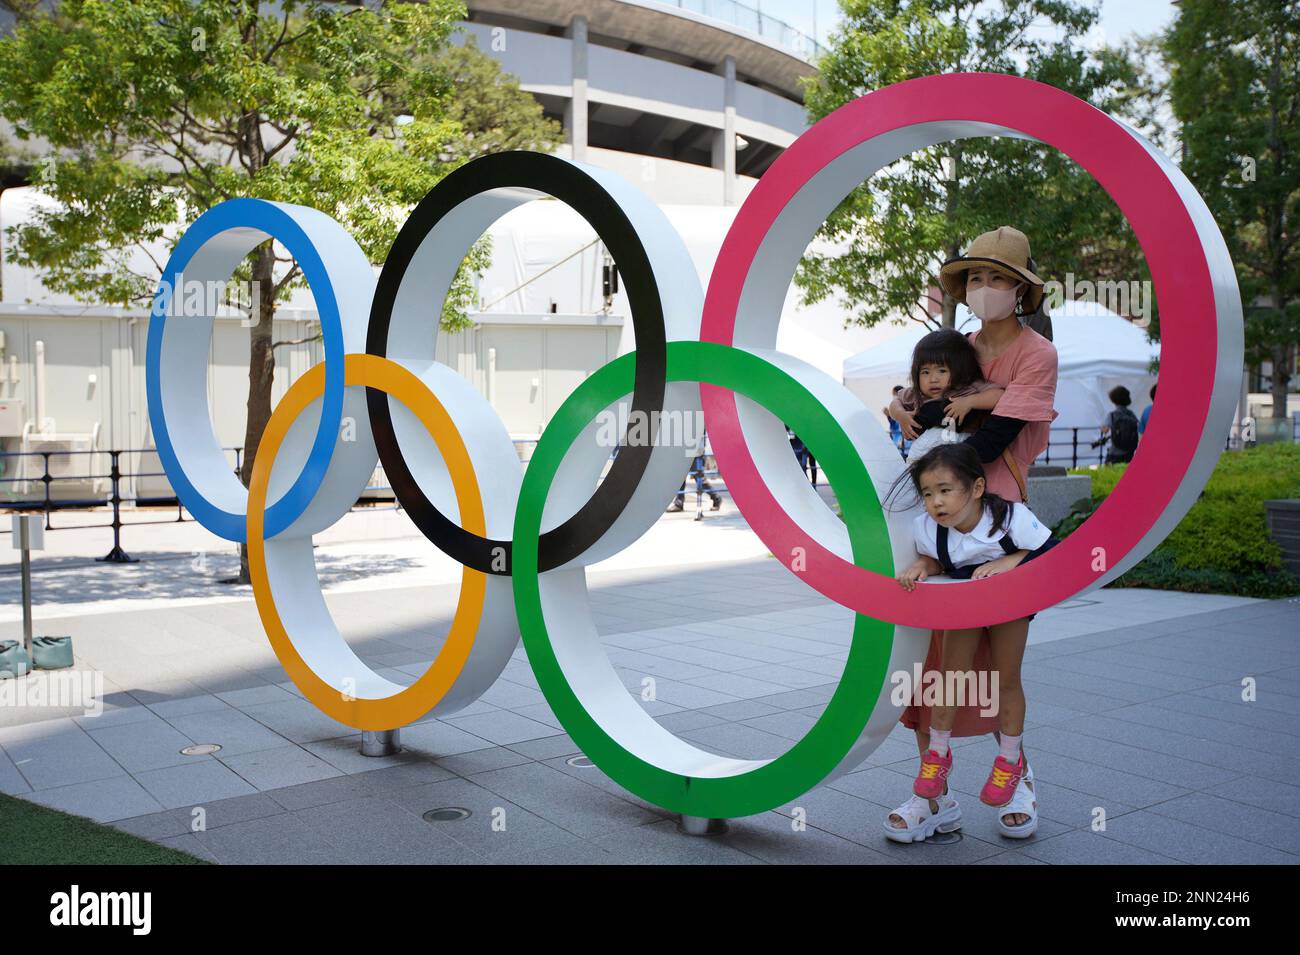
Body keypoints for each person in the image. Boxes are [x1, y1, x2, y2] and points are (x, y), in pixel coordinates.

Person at [885, 225, 1059, 842]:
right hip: (936, 524)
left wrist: (978, 400)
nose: (985, 289)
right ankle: (934, 796)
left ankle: (1018, 776)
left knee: (1000, 666)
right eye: (975, 278)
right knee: (937, 669)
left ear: (1022, 290)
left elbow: (986, 446)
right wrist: (905, 411)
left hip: (1001, 528)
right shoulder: (953, 344)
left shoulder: (1036, 354)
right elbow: (912, 405)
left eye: (999, 279)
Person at [887, 443, 1057, 842]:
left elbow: (1048, 550)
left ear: (977, 487)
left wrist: (1008, 562)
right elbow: (939, 561)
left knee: (1005, 681)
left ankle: (1010, 761)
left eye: (946, 490)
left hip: (1010, 603)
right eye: (928, 493)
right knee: (949, 677)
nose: (935, 502)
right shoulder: (927, 529)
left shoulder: (1010, 517)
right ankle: (937, 756)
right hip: (964, 601)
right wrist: (921, 566)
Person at [885, 328, 1005, 462]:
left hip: (958, 454)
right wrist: (901, 415)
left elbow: (999, 396)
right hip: (921, 457)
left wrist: (970, 402)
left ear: (960, 369)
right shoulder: (916, 393)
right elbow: (895, 403)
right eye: (925, 372)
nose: (933, 379)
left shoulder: (967, 388)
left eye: (941, 371)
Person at [1095, 385, 1140, 464]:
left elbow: (1105, 430)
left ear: (1113, 400)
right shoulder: (1131, 414)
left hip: (1115, 452)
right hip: (1129, 452)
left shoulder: (1112, 415)